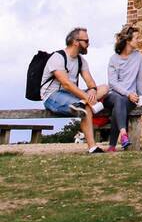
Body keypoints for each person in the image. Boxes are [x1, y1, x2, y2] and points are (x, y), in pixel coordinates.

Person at [40, 27, 109, 155]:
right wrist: (88, 98)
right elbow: (66, 84)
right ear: (76, 42)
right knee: (87, 108)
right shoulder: (58, 57)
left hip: (73, 96)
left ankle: (81, 103)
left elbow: (90, 81)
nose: (88, 44)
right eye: (86, 41)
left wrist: (93, 90)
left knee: (105, 88)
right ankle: (92, 147)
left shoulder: (81, 61)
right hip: (52, 96)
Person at [107, 24, 142, 152]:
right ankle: (124, 134)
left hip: (130, 98)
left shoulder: (139, 57)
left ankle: (112, 146)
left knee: (118, 106)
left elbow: (139, 80)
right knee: (119, 99)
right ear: (128, 40)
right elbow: (112, 83)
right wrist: (128, 93)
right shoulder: (113, 59)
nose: (139, 40)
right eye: (136, 38)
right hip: (113, 95)